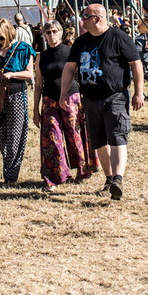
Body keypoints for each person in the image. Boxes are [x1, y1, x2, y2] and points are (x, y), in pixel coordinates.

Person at [59, 4, 145, 201]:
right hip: (89, 98)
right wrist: (64, 92)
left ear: (97, 18)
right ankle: (109, 180)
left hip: (115, 97)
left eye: (85, 17)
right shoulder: (81, 42)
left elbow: (136, 64)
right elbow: (69, 68)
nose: (82, 20)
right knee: (98, 142)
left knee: (117, 138)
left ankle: (118, 179)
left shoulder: (119, 38)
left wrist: (138, 93)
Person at [32, 20, 96, 188]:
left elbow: (83, 75)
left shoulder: (70, 51)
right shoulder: (41, 57)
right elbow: (38, 85)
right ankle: (56, 175)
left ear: (61, 32)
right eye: (48, 32)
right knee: (52, 138)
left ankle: (82, 171)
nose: (52, 35)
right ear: (44, 36)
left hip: (71, 98)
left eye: (54, 31)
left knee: (74, 135)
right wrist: (35, 110)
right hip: (49, 100)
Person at [0, 18, 36, 183]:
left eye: (1, 38)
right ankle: (8, 168)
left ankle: (11, 175)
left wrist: (12, 74)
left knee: (15, 136)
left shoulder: (23, 49)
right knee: (2, 135)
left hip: (16, 94)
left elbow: (29, 74)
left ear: (9, 33)